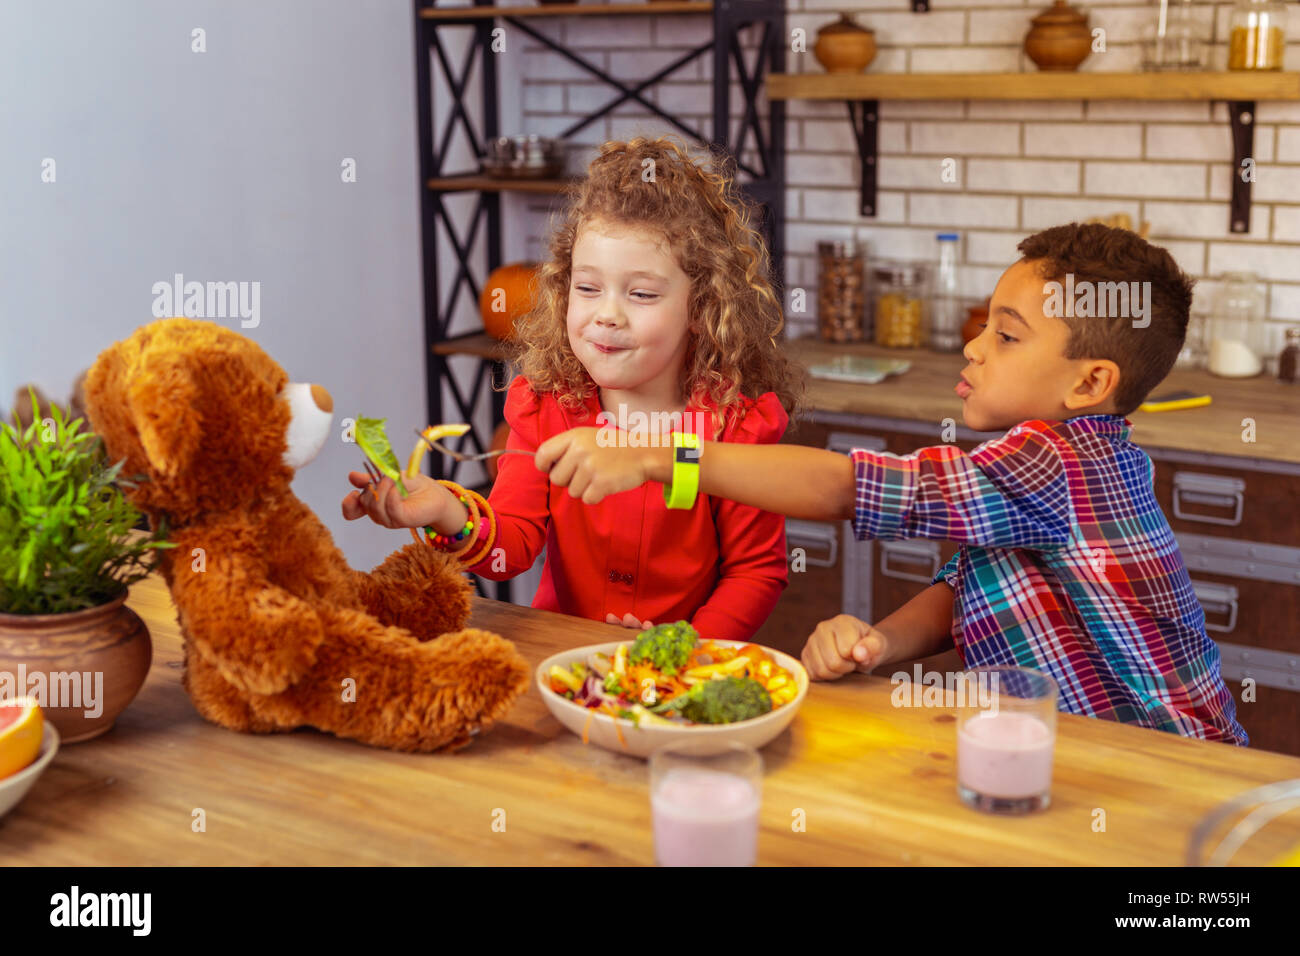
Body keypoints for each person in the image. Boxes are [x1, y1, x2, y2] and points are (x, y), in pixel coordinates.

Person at [538, 222, 1248, 745]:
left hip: (1165, 764)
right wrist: (880, 644)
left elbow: (852, 487)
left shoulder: (1055, 463)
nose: (974, 346)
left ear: (1091, 382)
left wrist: (662, 459)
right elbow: (972, 582)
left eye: (1007, 336)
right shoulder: (1075, 460)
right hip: (1085, 758)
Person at [343, 137, 803, 642]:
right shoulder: (545, 407)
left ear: (701, 309)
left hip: (688, 669)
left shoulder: (733, 427)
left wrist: (681, 650)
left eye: (642, 294)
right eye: (587, 288)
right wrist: (444, 511)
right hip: (564, 657)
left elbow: (756, 573)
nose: (607, 314)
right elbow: (510, 549)